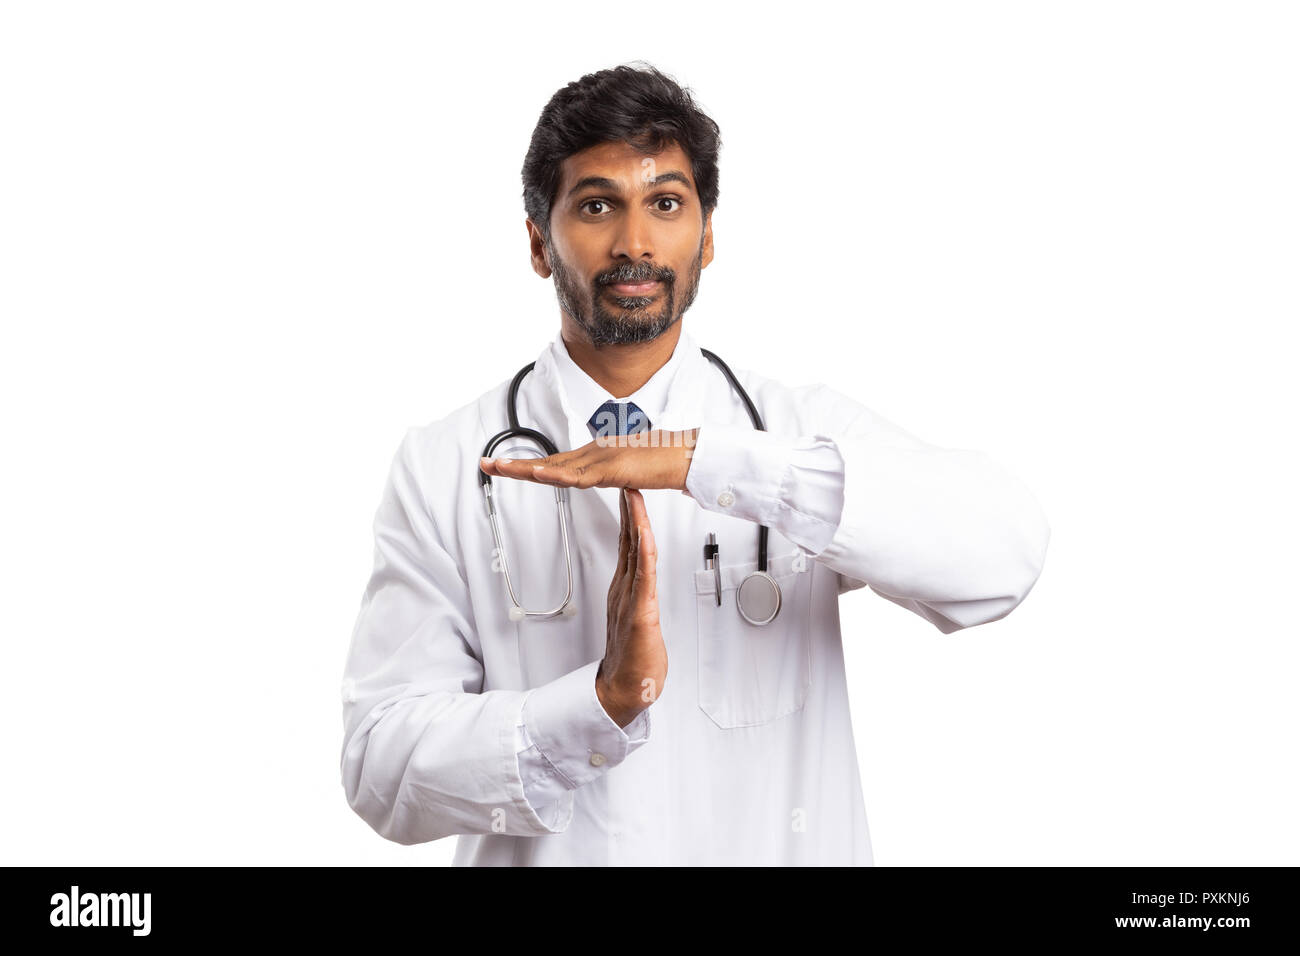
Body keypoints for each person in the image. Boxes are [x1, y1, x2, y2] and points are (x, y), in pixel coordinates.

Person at [339, 62, 1051, 866]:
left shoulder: (792, 431)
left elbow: (1003, 556)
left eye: (667, 204)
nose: (634, 243)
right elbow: (379, 764)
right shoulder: (446, 466)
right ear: (540, 243)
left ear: (708, 236)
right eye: (598, 204)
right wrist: (597, 705)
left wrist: (707, 463)